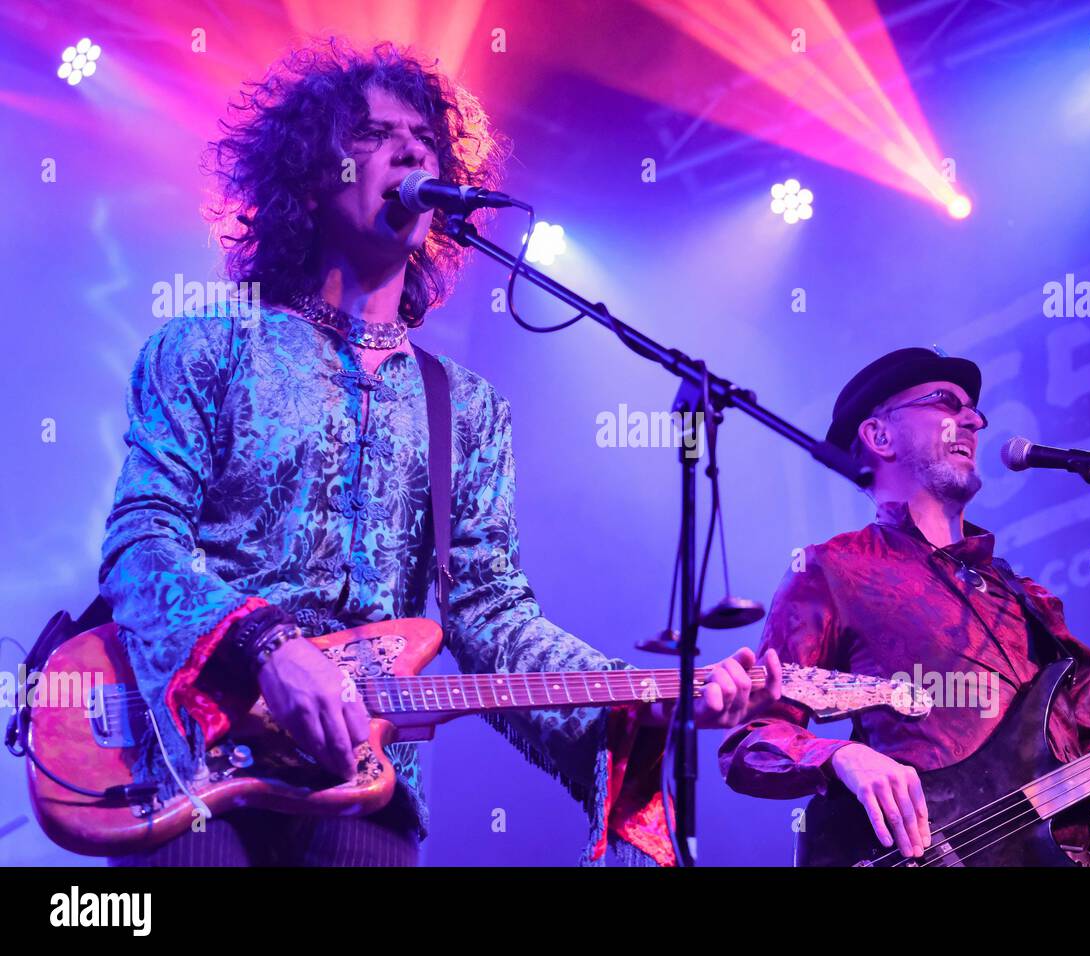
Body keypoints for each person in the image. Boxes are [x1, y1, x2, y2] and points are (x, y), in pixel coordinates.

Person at [100, 38, 779, 867]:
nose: (413, 152)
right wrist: (266, 645)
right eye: (375, 136)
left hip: (364, 780)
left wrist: (644, 697)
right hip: (194, 757)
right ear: (313, 178)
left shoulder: (466, 407)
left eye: (424, 142)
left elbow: (490, 613)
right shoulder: (206, 349)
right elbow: (142, 545)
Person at [718, 346, 1090, 864]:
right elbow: (751, 742)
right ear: (880, 436)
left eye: (974, 409)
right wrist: (840, 755)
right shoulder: (834, 569)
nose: (972, 418)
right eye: (946, 402)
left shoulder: (1033, 605)